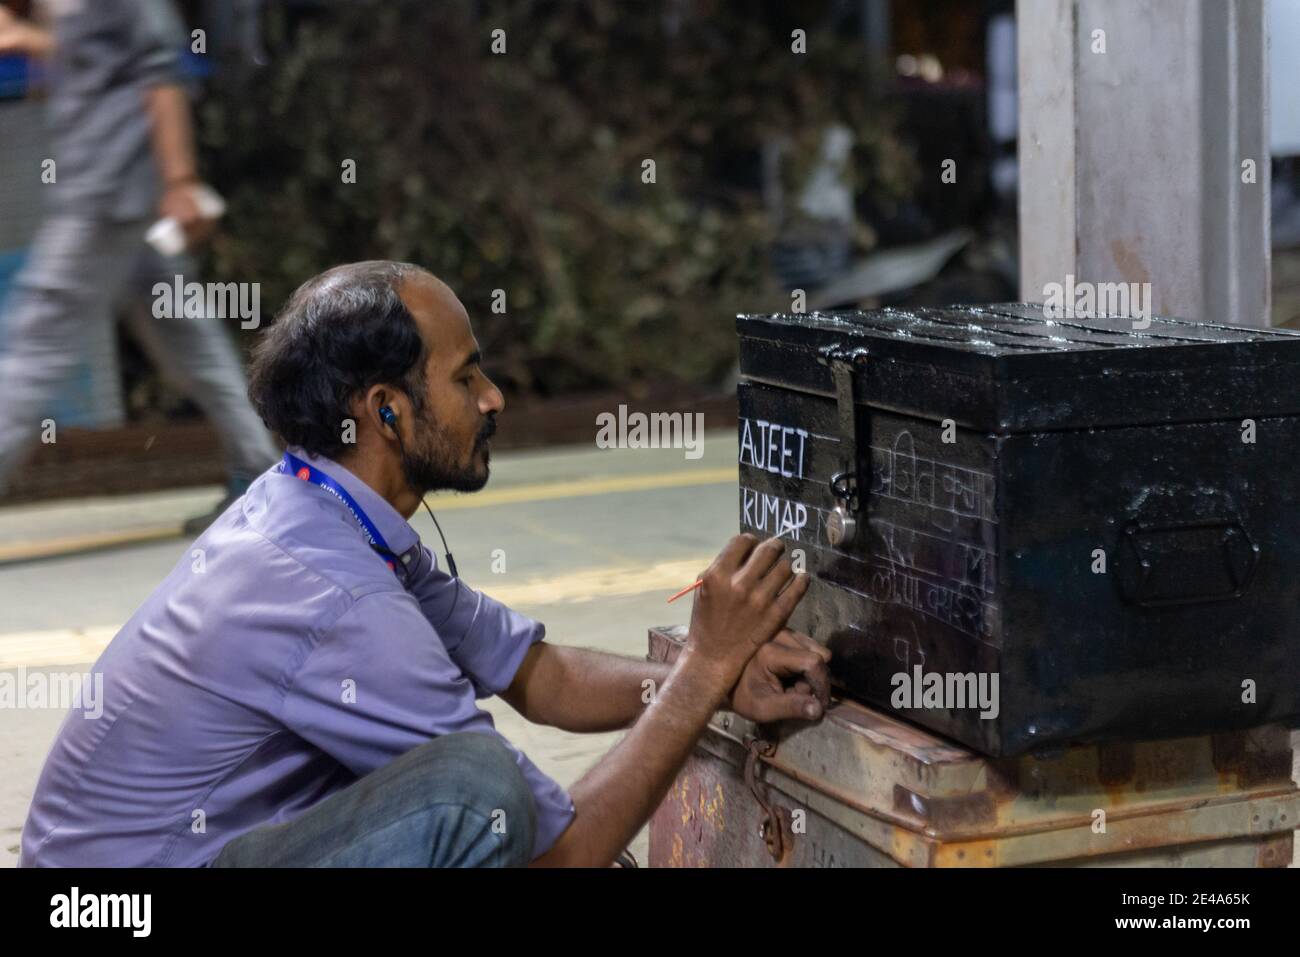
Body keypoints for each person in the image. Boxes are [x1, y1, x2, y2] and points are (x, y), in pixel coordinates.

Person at [20, 261, 832, 867]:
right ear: (386, 410)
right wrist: (703, 668)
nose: (493, 398)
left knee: (541, 813)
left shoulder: (321, 503)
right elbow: (558, 854)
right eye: (465, 376)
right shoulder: (332, 591)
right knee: (482, 792)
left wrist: (717, 677)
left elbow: (540, 676)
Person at [0, 0, 277, 529]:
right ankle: (259, 472)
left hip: (106, 201)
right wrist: (33, 41)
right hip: (114, 196)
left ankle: (258, 468)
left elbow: (161, 75)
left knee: (35, 343)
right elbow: (96, 59)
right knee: (188, 341)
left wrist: (180, 182)